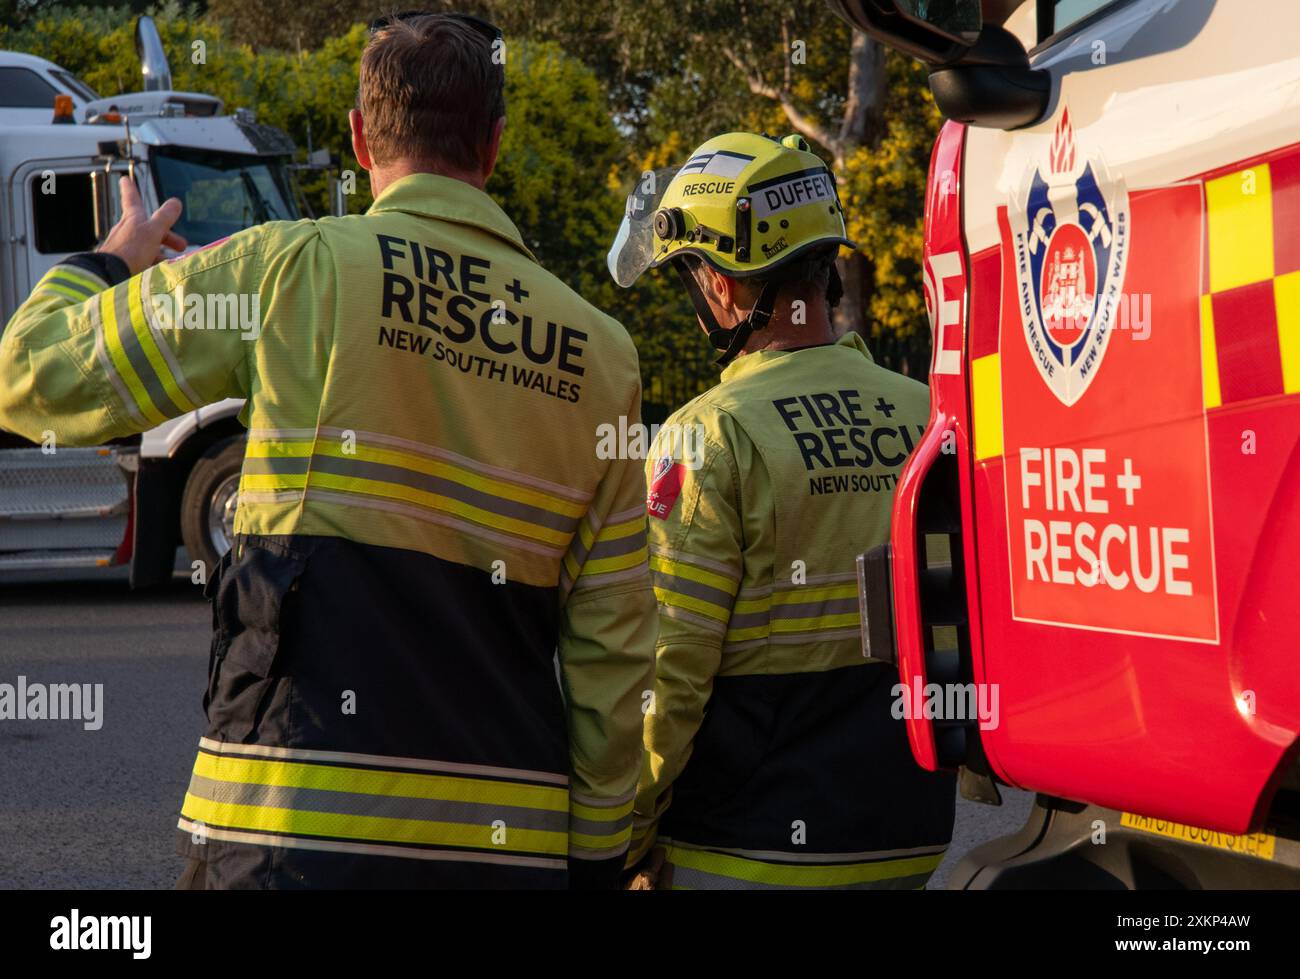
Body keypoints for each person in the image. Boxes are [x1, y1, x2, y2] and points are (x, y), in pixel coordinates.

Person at [0, 12, 655, 889]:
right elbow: (618, 653)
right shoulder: (602, 352)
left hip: (287, 830)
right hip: (510, 843)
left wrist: (112, 262)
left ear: (357, 138)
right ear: (495, 145)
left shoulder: (288, 270)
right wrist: (598, 850)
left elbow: (30, 375)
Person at [609, 131, 956, 889]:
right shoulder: (929, 413)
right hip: (911, 834)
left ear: (723, 286)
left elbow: (671, 675)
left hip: (744, 849)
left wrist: (623, 831)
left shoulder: (709, 436)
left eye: (689, 277)